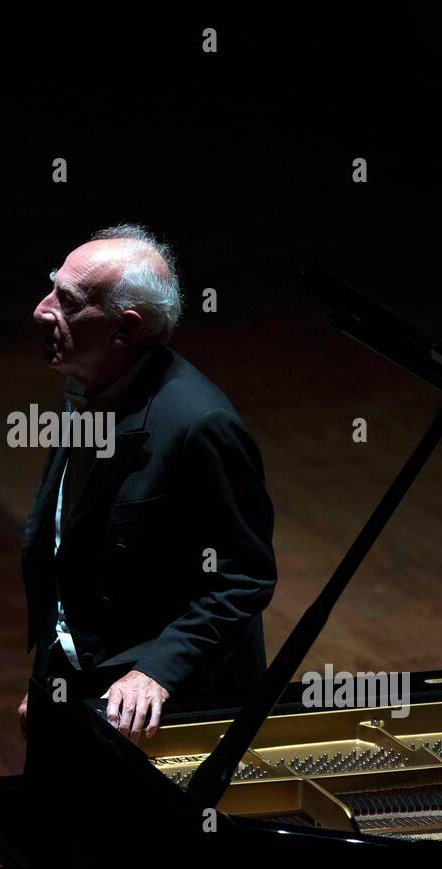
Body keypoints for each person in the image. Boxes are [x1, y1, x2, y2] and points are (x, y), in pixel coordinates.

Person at [18, 223, 277, 743]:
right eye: (52, 287)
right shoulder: (90, 383)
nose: (42, 310)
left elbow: (243, 576)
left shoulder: (199, 425)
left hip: (161, 703)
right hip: (80, 676)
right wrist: (52, 673)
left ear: (124, 329)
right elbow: (71, 542)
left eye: (67, 302)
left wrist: (156, 671)